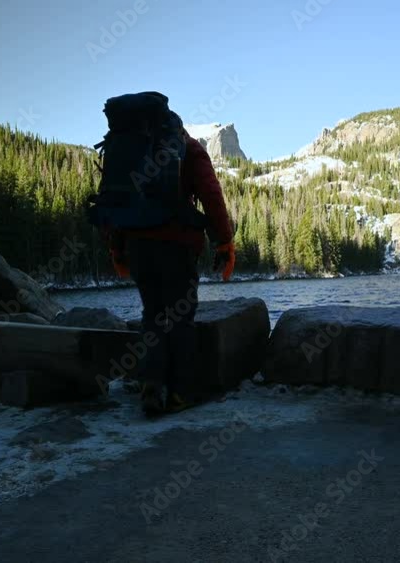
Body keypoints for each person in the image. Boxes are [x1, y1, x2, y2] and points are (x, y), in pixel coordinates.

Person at [91, 91, 235, 415]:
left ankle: (151, 386)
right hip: (177, 244)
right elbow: (211, 194)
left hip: (138, 246)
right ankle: (181, 393)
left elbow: (116, 202)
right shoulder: (186, 146)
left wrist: (117, 248)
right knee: (181, 318)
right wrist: (225, 242)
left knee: (153, 316)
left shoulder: (125, 147)